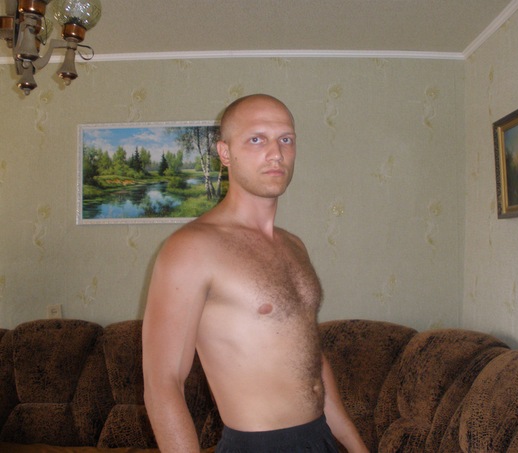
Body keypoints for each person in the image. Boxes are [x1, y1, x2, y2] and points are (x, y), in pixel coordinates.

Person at [142, 94, 369, 453]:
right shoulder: (191, 248)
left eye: (286, 139)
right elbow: (163, 383)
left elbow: (310, 359)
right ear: (225, 153)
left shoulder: (294, 245)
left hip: (320, 438)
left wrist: (355, 445)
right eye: (256, 139)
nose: (276, 153)